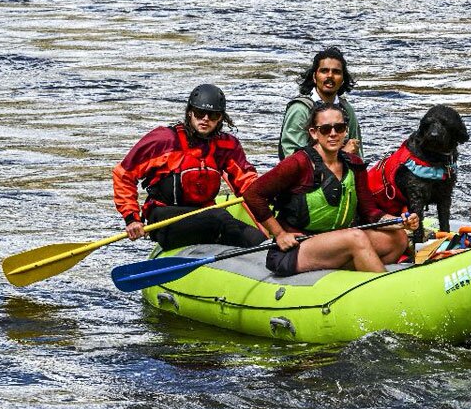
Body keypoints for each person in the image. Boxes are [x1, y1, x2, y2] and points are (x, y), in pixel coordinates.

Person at [247, 102, 418, 276]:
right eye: (325, 129)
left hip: (337, 242)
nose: (333, 134)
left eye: (339, 127)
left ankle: (351, 278)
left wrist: (399, 222)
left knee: (398, 239)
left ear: (345, 131)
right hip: (297, 247)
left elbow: (371, 213)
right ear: (314, 133)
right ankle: (386, 289)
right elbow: (253, 194)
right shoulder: (298, 163)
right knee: (354, 237)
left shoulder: (354, 164)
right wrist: (280, 234)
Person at [113, 84, 266, 250]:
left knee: (258, 238)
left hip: (204, 214)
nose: (205, 119)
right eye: (200, 113)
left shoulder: (227, 146)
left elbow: (247, 182)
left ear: (220, 118)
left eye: (213, 115)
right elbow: (123, 175)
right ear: (190, 113)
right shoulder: (163, 140)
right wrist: (132, 218)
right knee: (220, 219)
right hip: (165, 218)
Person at [277, 47, 363, 160]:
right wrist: (343, 155)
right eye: (324, 71)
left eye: (336, 72)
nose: (330, 76)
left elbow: (358, 154)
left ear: (342, 79)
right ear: (314, 76)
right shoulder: (300, 109)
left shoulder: (347, 110)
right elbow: (292, 159)